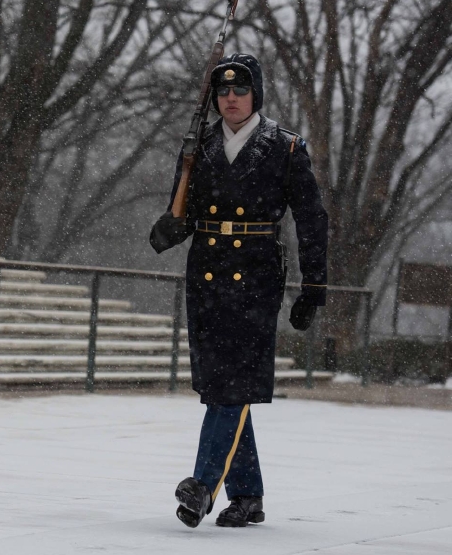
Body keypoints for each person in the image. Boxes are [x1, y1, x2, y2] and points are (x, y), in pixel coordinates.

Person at [149, 53, 328, 528]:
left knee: (232, 383)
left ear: (256, 94)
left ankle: (203, 486)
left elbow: (312, 220)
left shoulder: (285, 149)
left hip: (255, 276)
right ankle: (247, 495)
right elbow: (183, 212)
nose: (231, 98)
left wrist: (314, 284)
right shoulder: (198, 146)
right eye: (223, 91)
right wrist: (170, 228)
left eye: (241, 90)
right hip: (206, 272)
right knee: (221, 388)